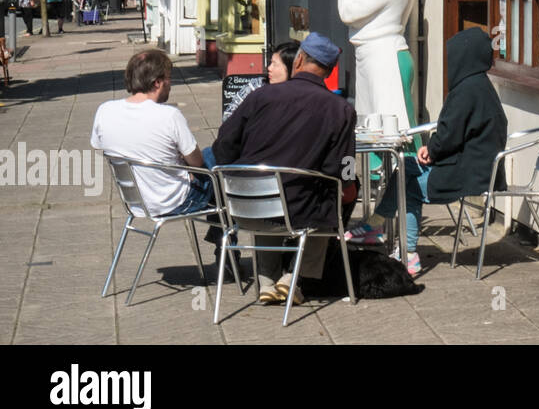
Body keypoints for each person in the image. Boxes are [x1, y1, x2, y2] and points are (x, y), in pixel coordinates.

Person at [213, 32, 356, 305]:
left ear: (299, 59)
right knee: (333, 195)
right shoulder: (340, 109)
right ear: (329, 70)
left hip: (244, 204)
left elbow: (224, 145)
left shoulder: (260, 96)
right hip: (298, 208)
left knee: (270, 186)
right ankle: (293, 278)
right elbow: (343, 168)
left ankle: (267, 281)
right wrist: (348, 187)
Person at [351, 28, 507, 276]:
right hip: (474, 167)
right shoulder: (480, 86)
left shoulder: (467, 91)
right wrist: (431, 151)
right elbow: (454, 133)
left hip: (467, 174)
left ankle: (408, 254)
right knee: (407, 167)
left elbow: (449, 134)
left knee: (408, 185)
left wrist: (432, 150)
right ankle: (377, 225)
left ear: (463, 57)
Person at [90, 50, 214, 218]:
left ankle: (223, 237)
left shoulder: (104, 111)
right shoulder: (169, 116)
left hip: (135, 203)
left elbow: (99, 146)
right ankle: (227, 237)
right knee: (216, 156)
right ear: (157, 83)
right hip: (175, 201)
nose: (170, 84)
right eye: (169, 78)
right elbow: (197, 162)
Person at [337, 0, 416, 151]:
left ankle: (399, 178)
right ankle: (386, 177)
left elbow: (351, 12)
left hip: (384, 59)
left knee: (390, 128)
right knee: (376, 126)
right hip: (378, 56)